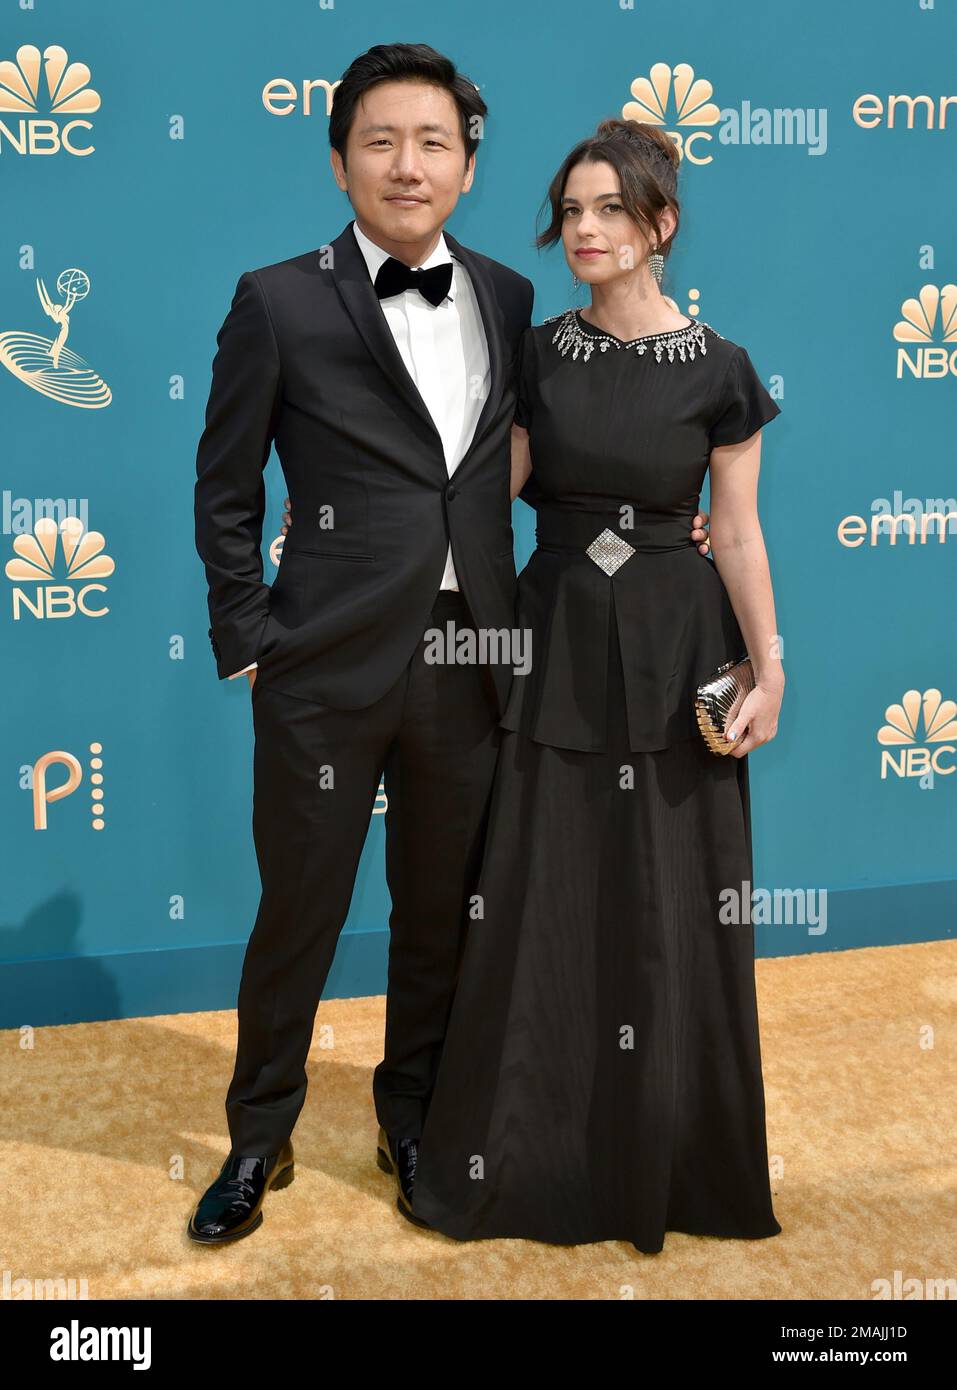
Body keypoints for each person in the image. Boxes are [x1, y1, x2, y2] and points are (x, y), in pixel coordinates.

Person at [188, 47, 711, 1244]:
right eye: (380, 141)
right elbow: (225, 489)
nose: (406, 164)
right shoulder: (276, 298)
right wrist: (251, 639)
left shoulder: (509, 299)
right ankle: (256, 1139)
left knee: (442, 914)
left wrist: (648, 513)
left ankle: (411, 1114)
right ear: (340, 161)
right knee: (299, 915)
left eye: (432, 142)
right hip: (323, 663)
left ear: (468, 167)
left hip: (476, 659)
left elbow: (542, 456)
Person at [407, 118, 785, 1254]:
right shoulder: (541, 351)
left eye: (610, 210)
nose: (583, 230)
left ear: (660, 223)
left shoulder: (723, 368)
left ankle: (673, 1158)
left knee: (674, 896)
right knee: (539, 890)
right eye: (571, 211)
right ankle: (528, 1158)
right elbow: (485, 491)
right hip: (555, 627)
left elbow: (741, 533)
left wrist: (768, 670)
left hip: (677, 640)